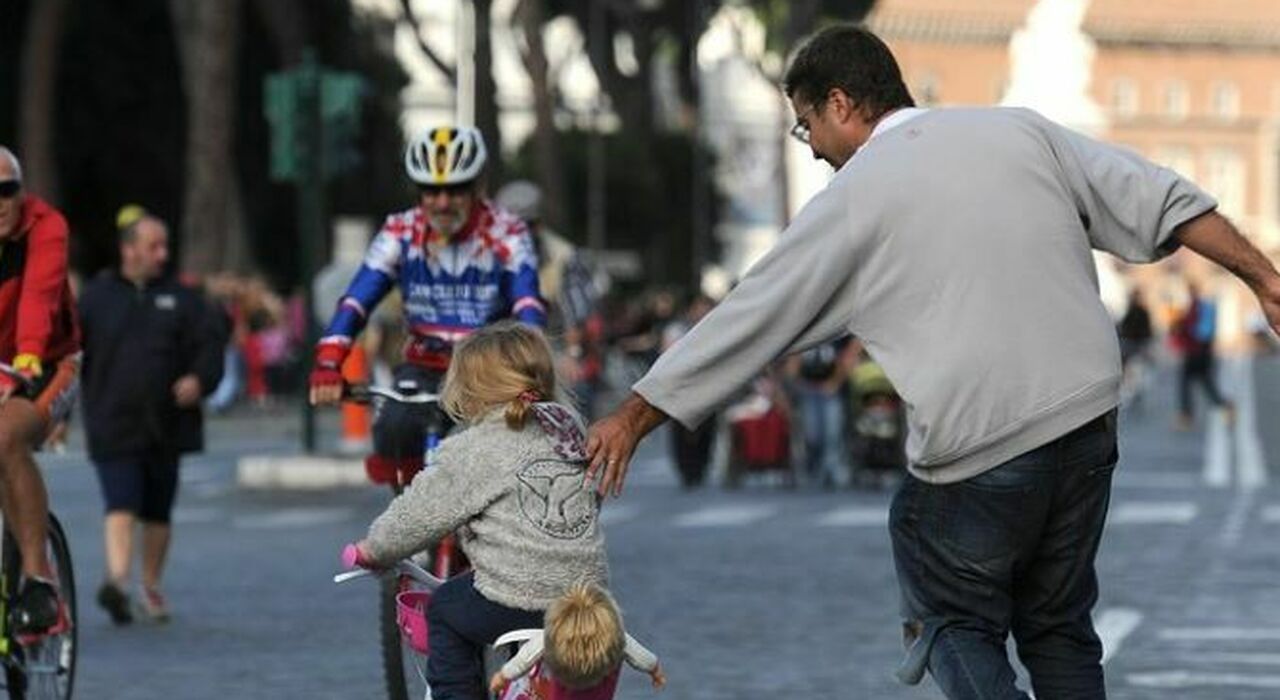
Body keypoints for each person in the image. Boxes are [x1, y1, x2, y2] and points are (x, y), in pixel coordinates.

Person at [584, 25, 1280, 700]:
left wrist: (634, 416)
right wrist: (1262, 276)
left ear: (841, 104)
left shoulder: (857, 194)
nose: (815, 149)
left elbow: (749, 317)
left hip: (984, 438)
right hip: (1087, 417)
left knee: (949, 607)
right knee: (1059, 625)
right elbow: (1159, 196)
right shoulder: (1020, 131)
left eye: (807, 125)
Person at [347, 322, 606, 700]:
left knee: (447, 611)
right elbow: (590, 498)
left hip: (519, 596)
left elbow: (419, 512)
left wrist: (373, 549)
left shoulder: (476, 446)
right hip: (586, 597)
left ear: (469, 388)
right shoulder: (568, 429)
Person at [309, 126, 545, 487]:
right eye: (431, 191)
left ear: (477, 186)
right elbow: (357, 301)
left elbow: (527, 302)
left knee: (512, 447)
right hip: (424, 366)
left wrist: (533, 366)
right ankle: (412, 521)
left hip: (489, 366)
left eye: (455, 190)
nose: (442, 202)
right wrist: (328, 362)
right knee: (391, 430)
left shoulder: (508, 232)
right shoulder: (400, 232)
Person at [78, 206, 225, 624]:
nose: (162, 254)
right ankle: (118, 583)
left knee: (158, 509)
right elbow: (70, 352)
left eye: (164, 246)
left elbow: (211, 344)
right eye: (152, 246)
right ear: (129, 250)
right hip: (112, 420)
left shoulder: (183, 297)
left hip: (168, 424)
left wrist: (200, 379)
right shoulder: (96, 297)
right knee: (120, 501)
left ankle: (150, 585)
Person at [0, 146, 81, 642]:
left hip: (49, 364)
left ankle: (37, 580)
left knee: (6, 434)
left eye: (6, 191)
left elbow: (40, 297)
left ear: (21, 193)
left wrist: (29, 358)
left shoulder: (46, 227)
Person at [488, 581, 665, 697]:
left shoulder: (550, 638)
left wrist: (503, 676)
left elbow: (524, 659)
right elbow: (643, 658)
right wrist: (655, 671)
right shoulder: (618, 638)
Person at [1172, 281, 1234, 429]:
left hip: (1196, 351)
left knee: (1186, 383)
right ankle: (1226, 406)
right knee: (1204, 383)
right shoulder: (1200, 306)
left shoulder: (1196, 307)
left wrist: (1181, 327)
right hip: (1202, 351)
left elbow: (1193, 330)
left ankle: (1186, 416)